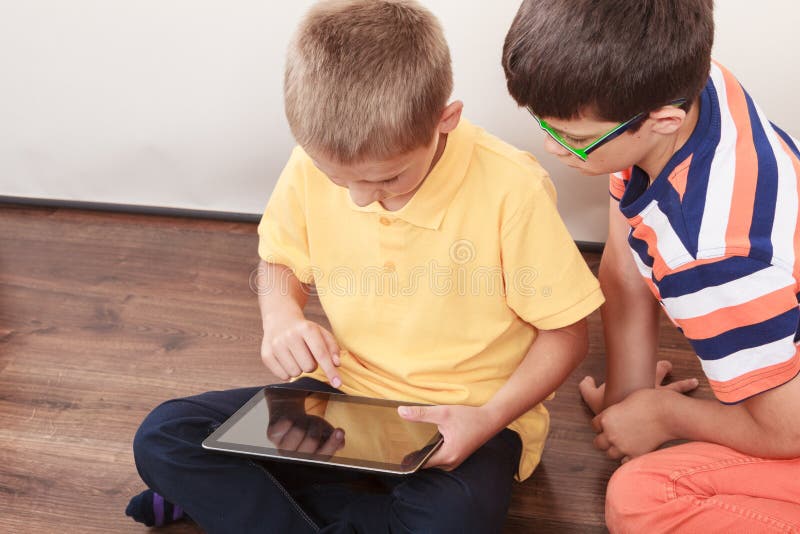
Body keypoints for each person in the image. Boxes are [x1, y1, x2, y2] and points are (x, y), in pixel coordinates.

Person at [125, 1, 604, 532]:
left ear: (446, 119)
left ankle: (237, 504)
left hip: (460, 418)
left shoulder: (512, 188)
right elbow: (277, 263)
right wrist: (280, 317)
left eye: (387, 179)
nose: (358, 199)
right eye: (338, 179)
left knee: (454, 518)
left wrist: (486, 419)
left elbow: (566, 335)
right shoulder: (311, 163)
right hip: (340, 397)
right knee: (164, 435)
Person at [503, 0, 800, 531]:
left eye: (574, 138)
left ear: (663, 120)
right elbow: (623, 264)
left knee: (642, 498)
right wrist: (628, 396)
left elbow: (789, 432)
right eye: (544, 126)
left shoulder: (709, 255)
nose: (555, 150)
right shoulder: (692, 83)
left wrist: (665, 414)